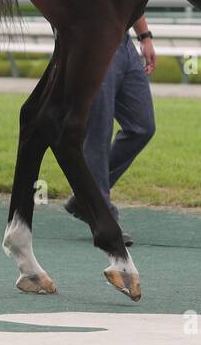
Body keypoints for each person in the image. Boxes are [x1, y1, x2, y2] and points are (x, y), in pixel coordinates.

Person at [65, 17, 157, 244]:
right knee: (99, 132)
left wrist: (144, 36)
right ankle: (103, 217)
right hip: (94, 41)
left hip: (125, 43)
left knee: (142, 127)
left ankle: (85, 198)